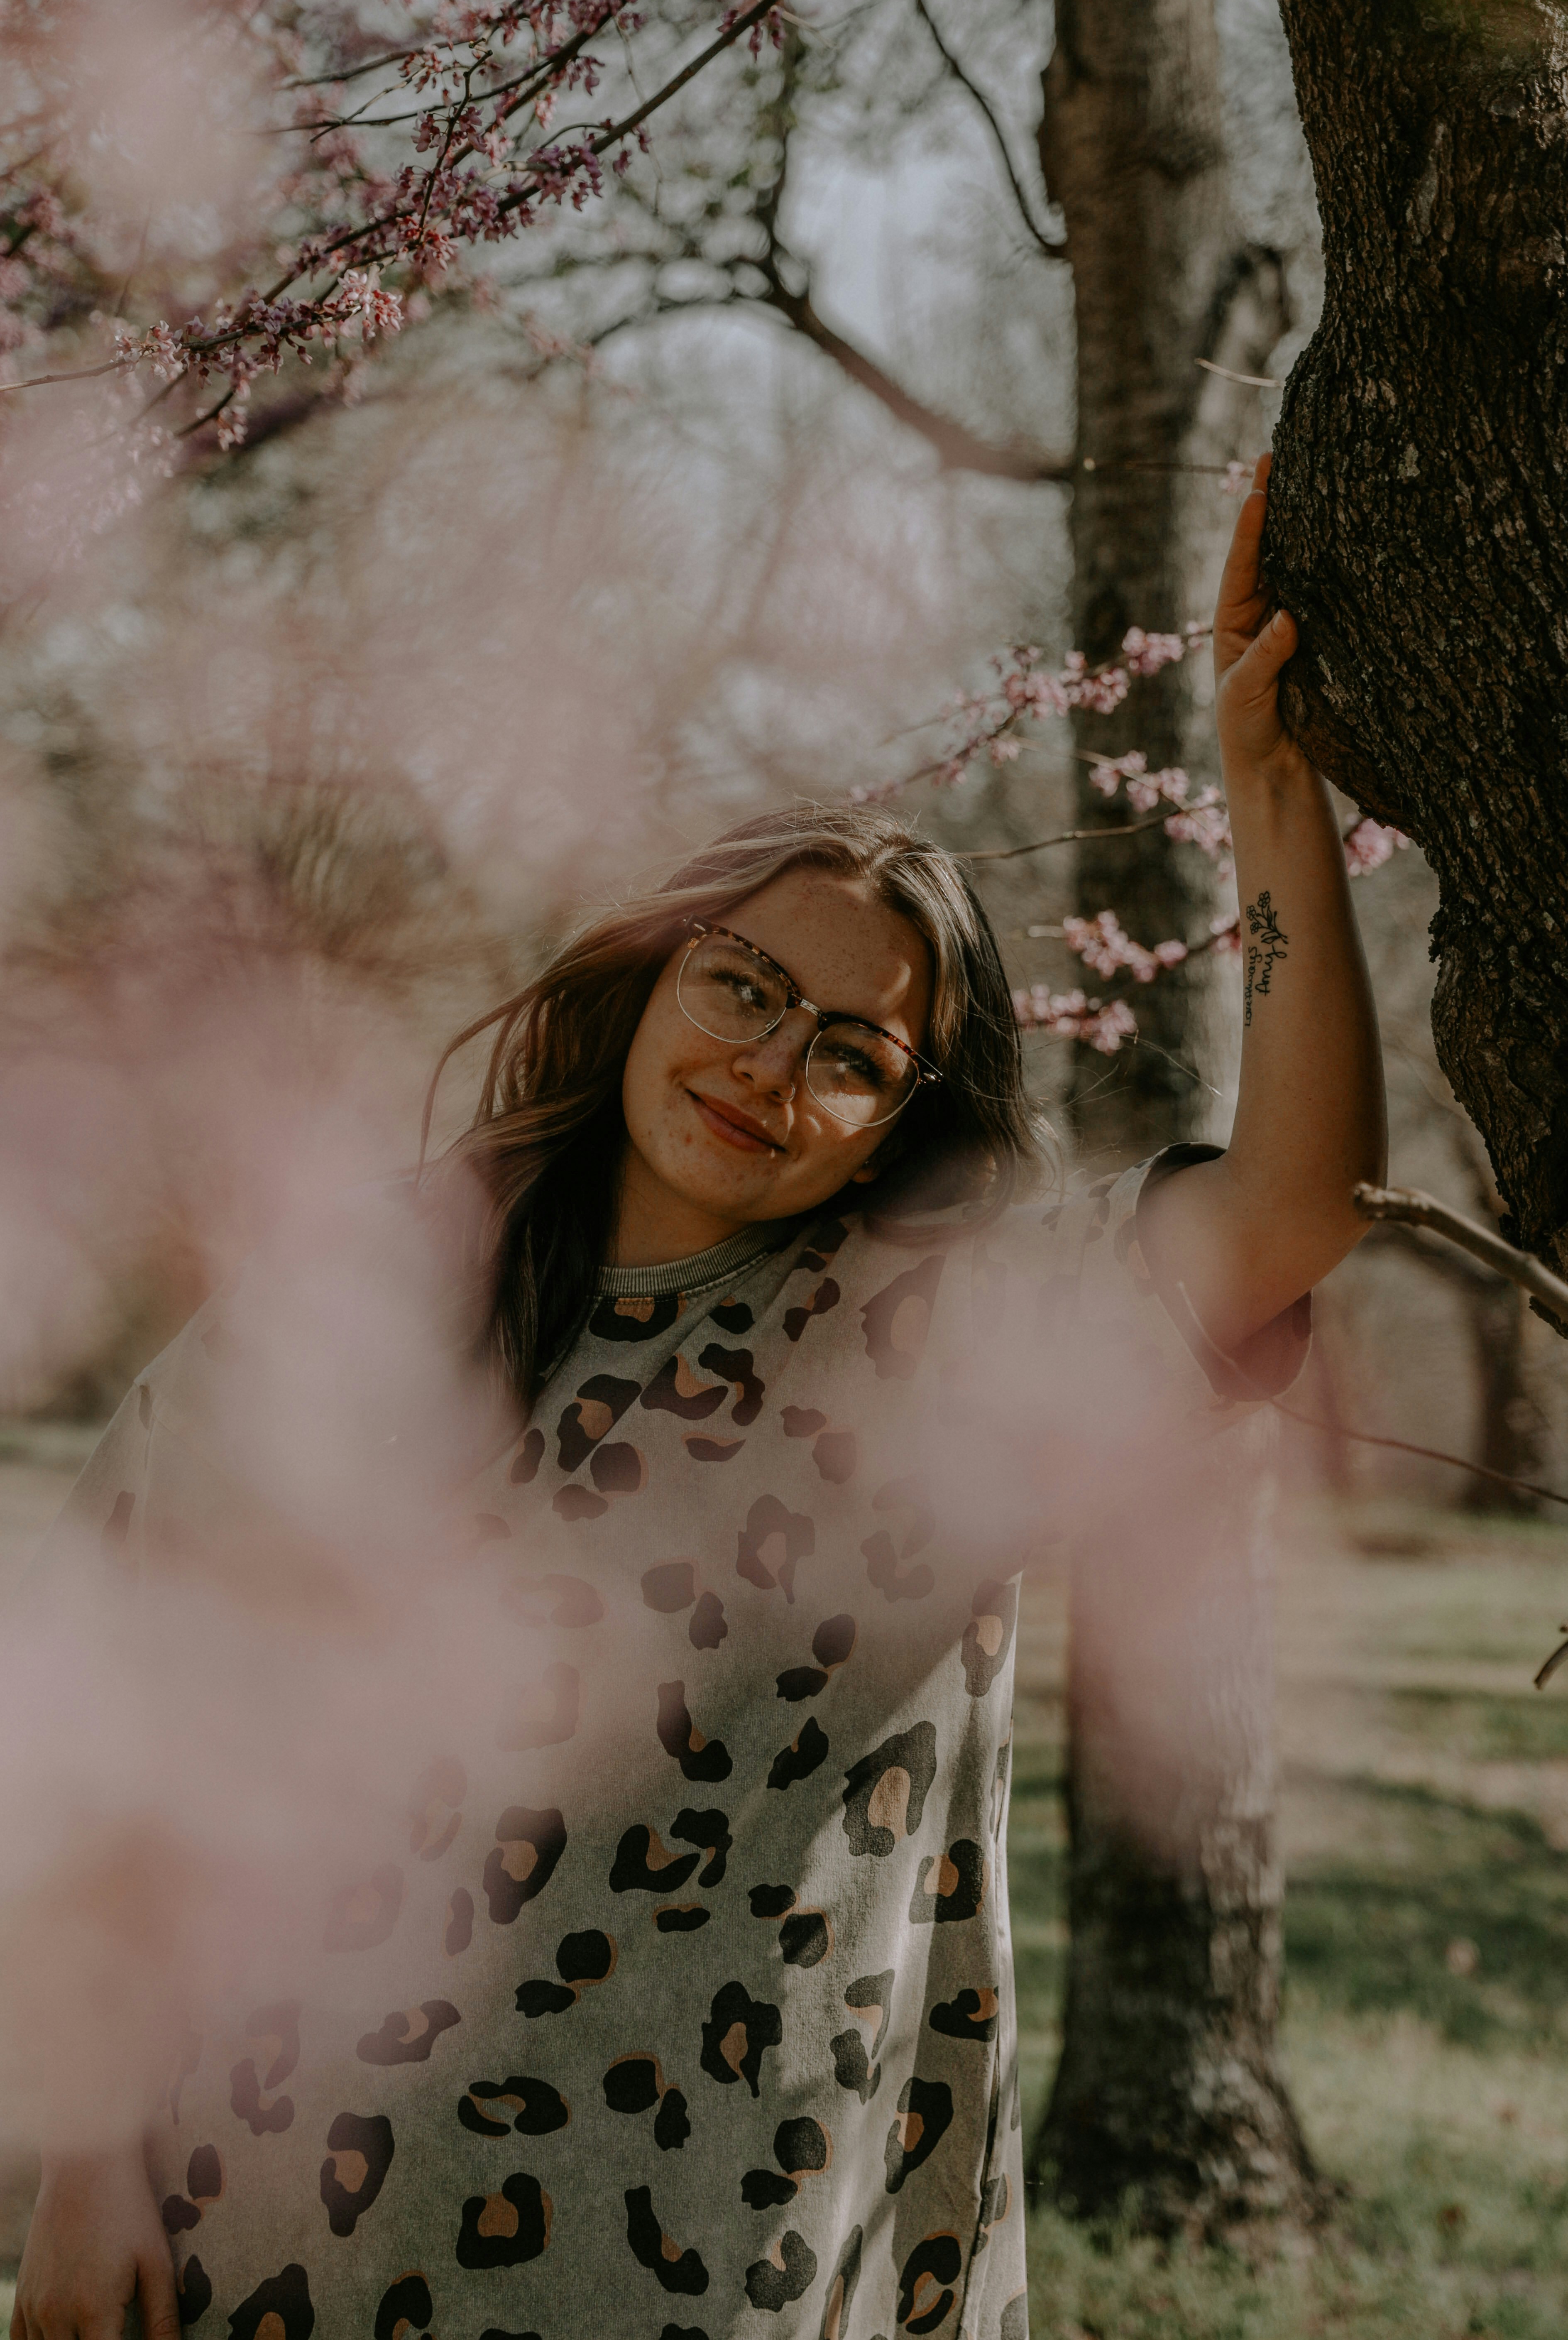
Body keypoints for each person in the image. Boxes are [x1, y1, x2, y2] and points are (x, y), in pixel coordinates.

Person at [13, 469, 1383, 2340]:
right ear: (655, 970)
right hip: (266, 2226)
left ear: (904, 1123)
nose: (770, 1068)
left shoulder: (935, 1344)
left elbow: (1301, 1206)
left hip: (717, 2256)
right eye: (744, 987)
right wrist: (85, 2167)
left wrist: (1269, 789)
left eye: (852, 1058)